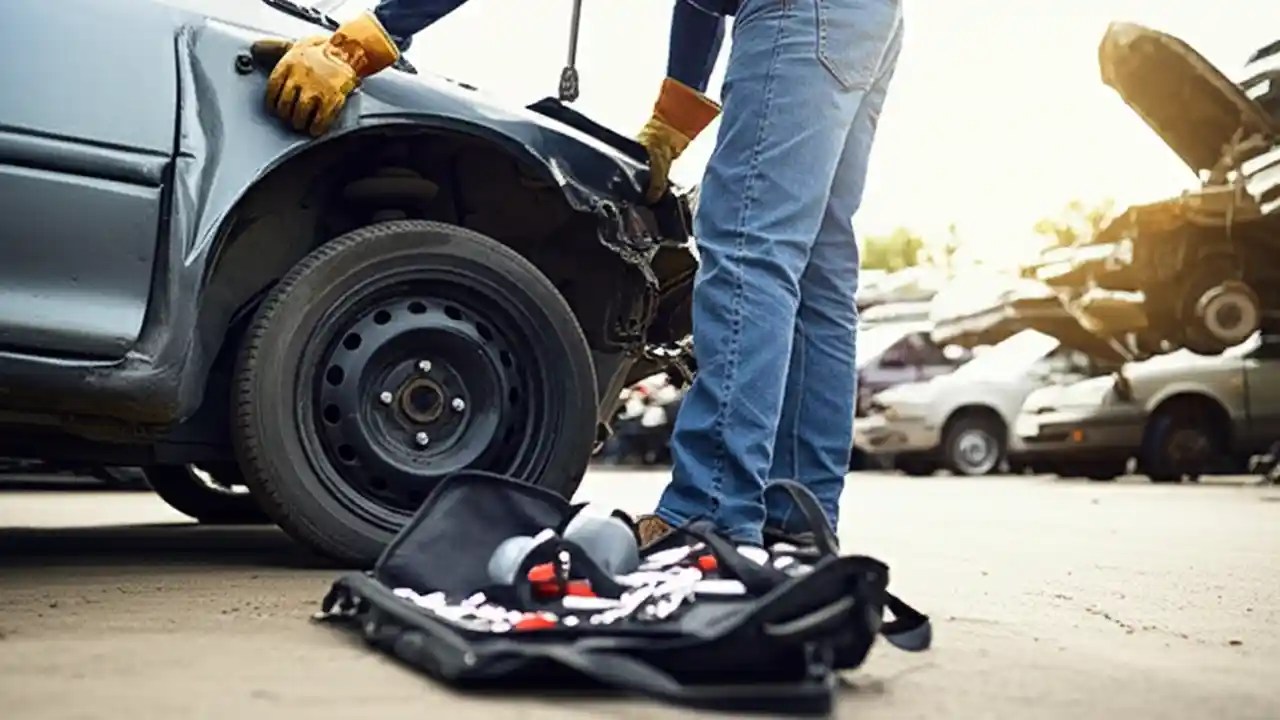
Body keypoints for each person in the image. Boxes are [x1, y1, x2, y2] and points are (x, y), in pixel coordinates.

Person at [258, 0, 905, 550]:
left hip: (799, 15)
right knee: (817, 276)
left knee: (747, 249)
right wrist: (673, 120)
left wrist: (371, 37)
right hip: (858, 21)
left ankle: (708, 514)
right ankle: (798, 528)